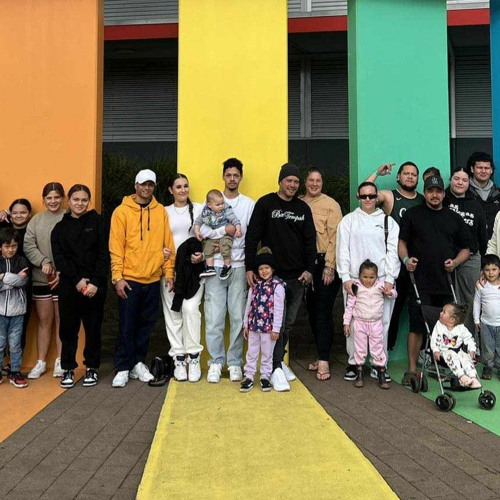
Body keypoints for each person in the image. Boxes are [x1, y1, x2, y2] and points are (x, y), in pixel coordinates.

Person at [245, 163, 316, 392]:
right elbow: (252, 236)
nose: (292, 185)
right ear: (280, 181)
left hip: (297, 277)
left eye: (296, 181)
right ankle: (275, 368)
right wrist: (249, 267)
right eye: (289, 180)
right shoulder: (265, 204)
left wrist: (310, 269)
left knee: (287, 324)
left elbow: (310, 241)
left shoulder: (303, 208)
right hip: (272, 280)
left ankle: (277, 362)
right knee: (274, 323)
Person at [399, 175, 473, 385]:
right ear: (425, 193)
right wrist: (406, 260)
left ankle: (447, 367)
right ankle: (411, 370)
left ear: (443, 193)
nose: (434, 195)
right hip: (419, 282)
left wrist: (455, 262)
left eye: (438, 191)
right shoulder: (413, 214)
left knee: (448, 328)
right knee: (417, 326)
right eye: (430, 191)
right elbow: (401, 242)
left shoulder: (454, 218)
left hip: (445, 283)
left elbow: (466, 249)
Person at [109, 169, 175, 388]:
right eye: (143, 184)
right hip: (129, 278)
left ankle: (138, 363)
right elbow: (116, 247)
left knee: (146, 326)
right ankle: (122, 367)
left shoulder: (160, 211)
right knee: (127, 325)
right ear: (135, 185)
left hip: (152, 278)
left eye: (150, 185)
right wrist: (117, 277)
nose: (147, 188)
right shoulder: (121, 212)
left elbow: (167, 244)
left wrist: (168, 272)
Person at [336, 181, 400, 382]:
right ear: (358, 196)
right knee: (354, 323)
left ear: (377, 196)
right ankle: (355, 363)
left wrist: (390, 278)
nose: (368, 199)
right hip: (355, 281)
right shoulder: (348, 221)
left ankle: (379, 365)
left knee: (382, 323)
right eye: (364, 196)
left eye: (372, 196)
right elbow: (342, 250)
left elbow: (393, 252)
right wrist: (345, 277)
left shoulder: (389, 222)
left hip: (381, 281)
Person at [51, 185, 109, 389]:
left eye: (84, 200)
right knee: (68, 330)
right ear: (69, 201)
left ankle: (91, 367)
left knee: (93, 329)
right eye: (76, 199)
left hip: (95, 287)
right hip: (70, 286)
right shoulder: (59, 228)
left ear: (89, 201)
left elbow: (104, 254)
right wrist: (77, 280)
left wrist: (95, 282)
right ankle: (68, 368)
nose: (80, 203)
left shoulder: (99, 222)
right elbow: (60, 258)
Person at [203, 158, 254, 384]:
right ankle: (215, 362)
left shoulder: (249, 204)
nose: (232, 179)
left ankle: (234, 363)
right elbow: (202, 231)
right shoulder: (212, 202)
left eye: (236, 175)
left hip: (239, 266)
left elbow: (250, 237)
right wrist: (224, 231)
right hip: (215, 265)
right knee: (214, 317)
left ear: (240, 177)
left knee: (237, 317)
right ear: (223, 176)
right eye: (228, 175)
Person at [365, 162, 424, 351]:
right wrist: (377, 173)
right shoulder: (390, 196)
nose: (410, 176)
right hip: (394, 265)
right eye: (406, 173)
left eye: (413, 174)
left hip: (418, 264)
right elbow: (365, 195)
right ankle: (383, 354)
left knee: (421, 310)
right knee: (392, 311)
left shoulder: (423, 200)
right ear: (398, 177)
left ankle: (424, 352)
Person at [300, 167, 342, 381]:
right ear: (305, 182)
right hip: (304, 265)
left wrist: (330, 266)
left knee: (323, 311)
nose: (314, 184)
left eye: (318, 180)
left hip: (324, 263)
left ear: (322, 183)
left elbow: (336, 237)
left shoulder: (331, 205)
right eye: (311, 180)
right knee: (312, 311)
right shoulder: (298, 203)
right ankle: (320, 353)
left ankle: (324, 360)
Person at [161, 174, 204, 383]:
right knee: (173, 314)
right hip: (170, 271)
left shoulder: (200, 209)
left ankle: (193, 357)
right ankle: (179, 358)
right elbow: (157, 239)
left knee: (189, 309)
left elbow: (210, 236)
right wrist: (162, 252)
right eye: (178, 187)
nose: (183, 190)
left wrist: (203, 255)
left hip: (193, 271)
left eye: (186, 186)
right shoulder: (163, 211)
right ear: (171, 190)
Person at [24, 182, 66, 379]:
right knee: (44, 321)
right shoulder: (36, 221)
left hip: (63, 280)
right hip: (41, 279)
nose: (53, 201)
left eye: (57, 197)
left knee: (61, 320)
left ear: (62, 198)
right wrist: (43, 262)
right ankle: (40, 362)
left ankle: (61, 361)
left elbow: (74, 249)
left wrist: (62, 271)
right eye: (49, 198)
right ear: (44, 200)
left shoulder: (69, 217)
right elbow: (28, 245)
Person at [444, 167, 488, 334]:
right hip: (446, 257)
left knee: (470, 299)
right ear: (450, 180)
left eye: (464, 180)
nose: (460, 183)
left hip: (470, 258)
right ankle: (448, 339)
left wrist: (484, 265)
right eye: (457, 179)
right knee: (448, 299)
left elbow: (482, 236)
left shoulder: (476, 204)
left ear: (469, 183)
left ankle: (469, 340)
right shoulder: (442, 199)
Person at [343, 260, 397, 389]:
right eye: (365, 277)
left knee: (377, 348)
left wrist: (390, 293)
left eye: (371, 277)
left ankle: (381, 374)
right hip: (360, 323)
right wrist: (346, 323)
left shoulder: (380, 286)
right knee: (360, 348)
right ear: (359, 276)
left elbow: (394, 293)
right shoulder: (356, 287)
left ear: (376, 277)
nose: (368, 280)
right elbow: (349, 307)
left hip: (375, 323)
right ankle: (359, 374)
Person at [240, 248, 285, 393]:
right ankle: (249, 376)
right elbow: (248, 305)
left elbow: (279, 310)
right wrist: (246, 324)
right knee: (251, 352)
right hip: (254, 327)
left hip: (268, 329)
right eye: (261, 268)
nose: (264, 271)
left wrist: (276, 329)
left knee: (267, 354)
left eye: (267, 268)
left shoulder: (277, 287)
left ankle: (265, 376)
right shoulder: (254, 286)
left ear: (272, 269)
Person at [0, 199, 33, 354]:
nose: (19, 215)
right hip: (2, 294)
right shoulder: (4, 228)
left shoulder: (32, 229)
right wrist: (4, 212)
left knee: (19, 328)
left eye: (23, 212)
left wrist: (4, 277)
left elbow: (23, 278)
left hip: (24, 286)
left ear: (29, 214)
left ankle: (14, 364)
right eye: (15, 212)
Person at [0, 228, 30, 388]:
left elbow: (22, 282)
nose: (10, 249)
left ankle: (15, 371)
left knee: (15, 344)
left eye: (14, 246)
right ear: (0, 247)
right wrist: (14, 278)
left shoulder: (22, 261)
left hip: (18, 311)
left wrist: (3, 277)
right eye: (7, 246)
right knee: (0, 343)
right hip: (0, 312)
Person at [194, 189, 242, 280]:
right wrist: (197, 231)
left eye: (222, 203)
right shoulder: (206, 212)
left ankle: (227, 266)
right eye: (218, 204)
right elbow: (198, 222)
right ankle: (210, 268)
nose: (221, 206)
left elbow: (235, 219)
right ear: (209, 205)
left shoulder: (226, 210)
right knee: (207, 247)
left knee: (225, 247)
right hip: (214, 237)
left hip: (226, 235)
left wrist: (238, 229)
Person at [431, 303, 480, 388]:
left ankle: (473, 377)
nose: (440, 313)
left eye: (444, 312)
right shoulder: (439, 325)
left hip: (458, 351)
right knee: (451, 355)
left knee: (466, 358)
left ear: (452, 320)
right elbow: (434, 339)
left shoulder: (461, 328)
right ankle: (462, 376)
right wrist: (436, 350)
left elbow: (469, 338)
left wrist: (472, 350)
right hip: (444, 352)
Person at [473, 254, 500, 380]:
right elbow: (476, 302)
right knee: (487, 347)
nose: (491, 273)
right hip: (486, 323)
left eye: (494, 269)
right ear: (482, 271)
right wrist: (476, 319)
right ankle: (488, 366)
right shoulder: (481, 285)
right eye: (487, 270)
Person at [467, 152, 500, 238]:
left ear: (491, 170)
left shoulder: (498, 193)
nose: (483, 171)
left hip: (494, 243)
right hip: (470, 244)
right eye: (479, 168)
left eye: (487, 168)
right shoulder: (463, 192)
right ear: (472, 169)